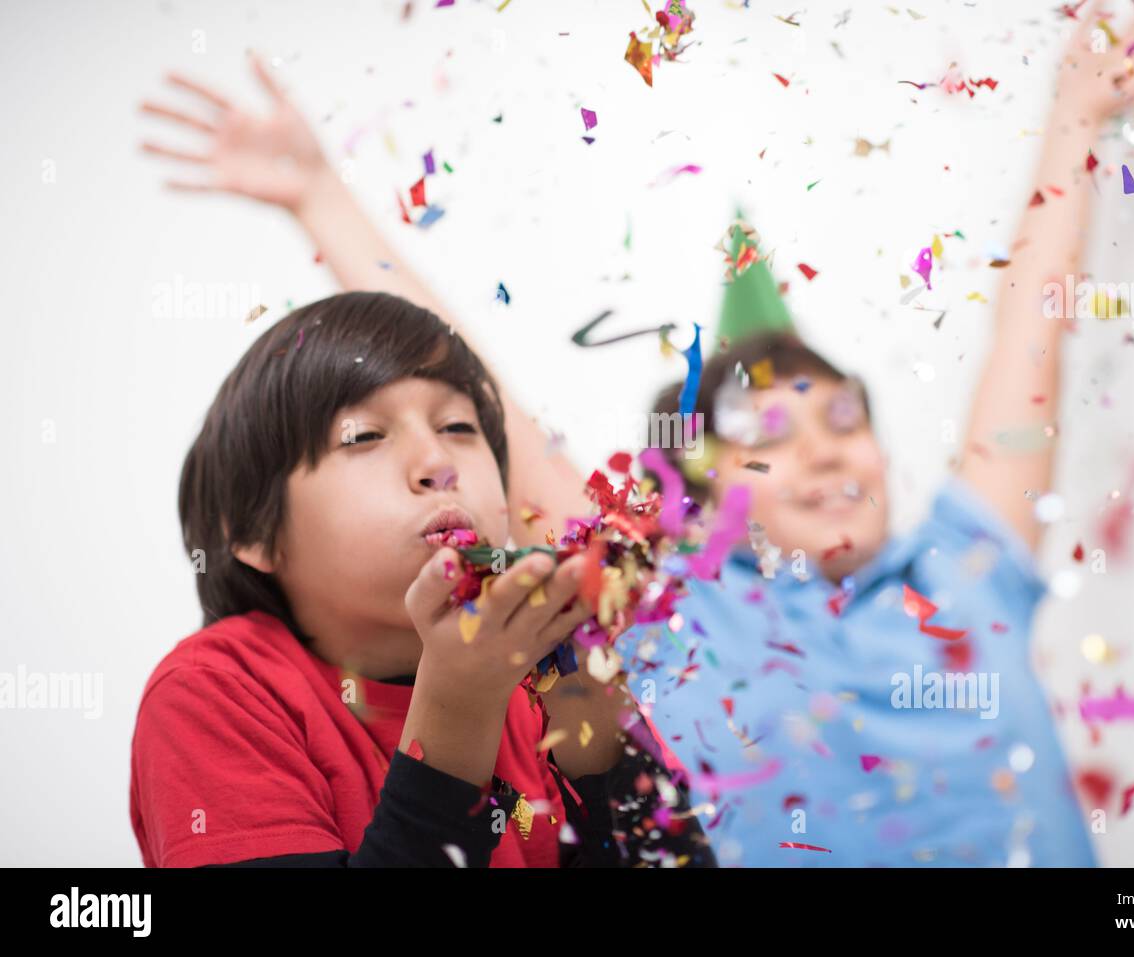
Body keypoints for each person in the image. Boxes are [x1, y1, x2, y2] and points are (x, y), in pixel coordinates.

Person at [138, 0, 1134, 866]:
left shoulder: (965, 571)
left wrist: (1074, 123)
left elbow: (1028, 353)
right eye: (766, 438)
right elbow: (464, 408)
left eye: (843, 420)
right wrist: (320, 197)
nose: (826, 448)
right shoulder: (666, 611)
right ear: (691, 491)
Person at [129, 290, 714, 867]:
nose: (438, 465)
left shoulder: (540, 681)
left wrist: (592, 718)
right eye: (363, 436)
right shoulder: (214, 692)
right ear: (253, 530)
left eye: (458, 426)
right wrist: (459, 710)